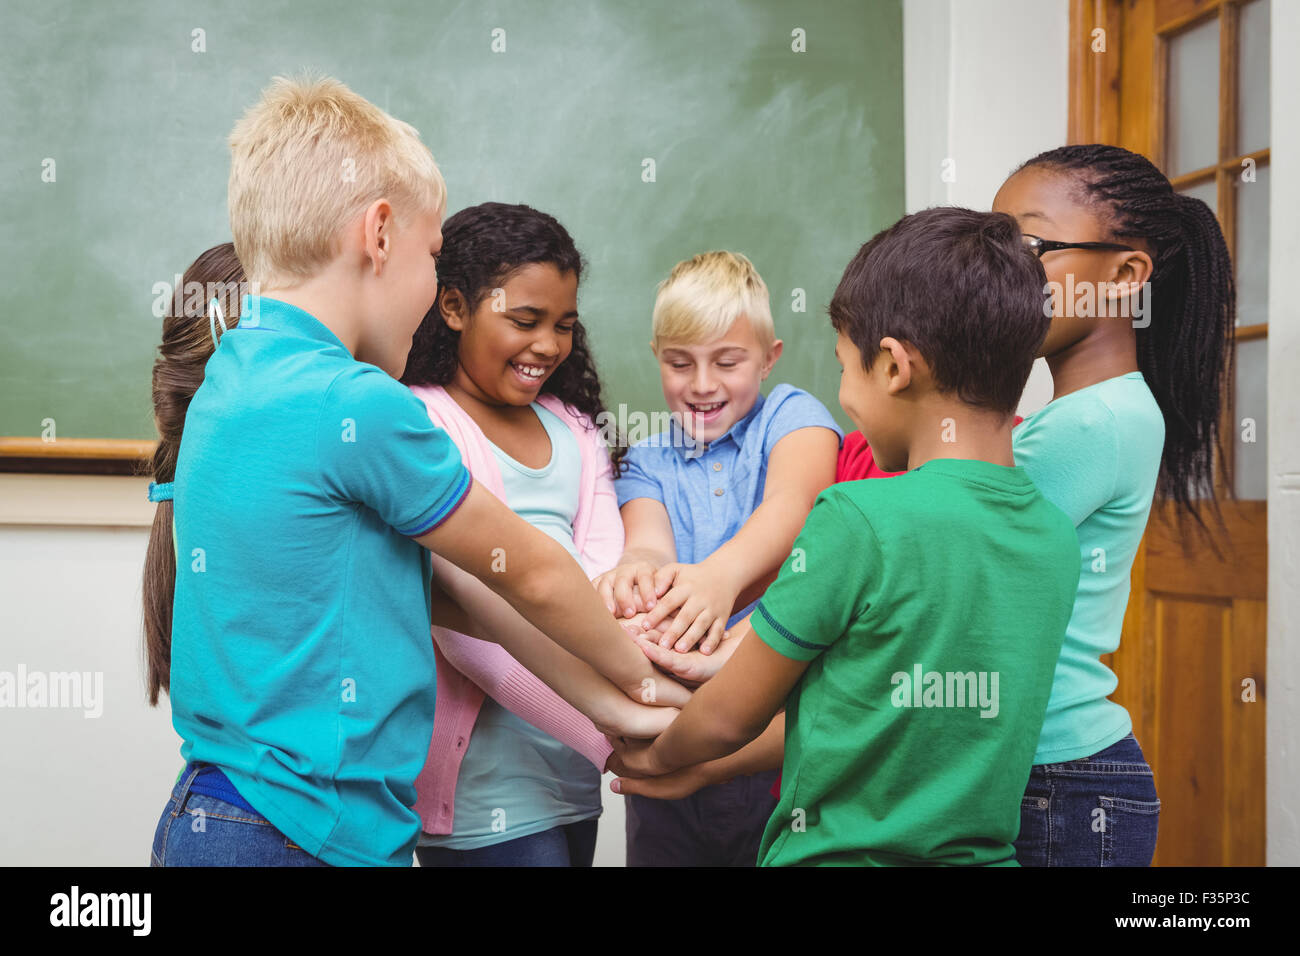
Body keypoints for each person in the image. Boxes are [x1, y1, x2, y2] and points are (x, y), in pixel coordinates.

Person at [150, 74, 684, 868]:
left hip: (222, 816)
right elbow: (532, 572)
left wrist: (610, 706)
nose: (434, 291)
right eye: (434, 256)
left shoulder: (234, 378)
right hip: (301, 834)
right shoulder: (355, 403)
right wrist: (645, 689)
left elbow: (459, 590)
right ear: (378, 234)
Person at [610, 207, 1080, 866]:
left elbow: (730, 716)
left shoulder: (856, 517)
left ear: (892, 366)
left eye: (842, 368)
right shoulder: (1057, 539)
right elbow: (864, 713)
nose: (844, 399)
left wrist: (658, 758)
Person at [399, 202, 675, 866]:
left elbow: (604, 578)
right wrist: (610, 732)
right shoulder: (421, 424)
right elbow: (464, 622)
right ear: (455, 307)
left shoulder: (573, 425)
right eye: (524, 321)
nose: (549, 345)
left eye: (565, 325)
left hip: (571, 781)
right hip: (483, 792)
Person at [991, 143, 1235, 866]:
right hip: (1057, 777)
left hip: (1060, 782)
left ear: (1126, 276)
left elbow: (954, 551)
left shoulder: (1093, 423)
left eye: (1028, 248)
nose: (1000, 275)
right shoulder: (1084, 416)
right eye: (994, 248)